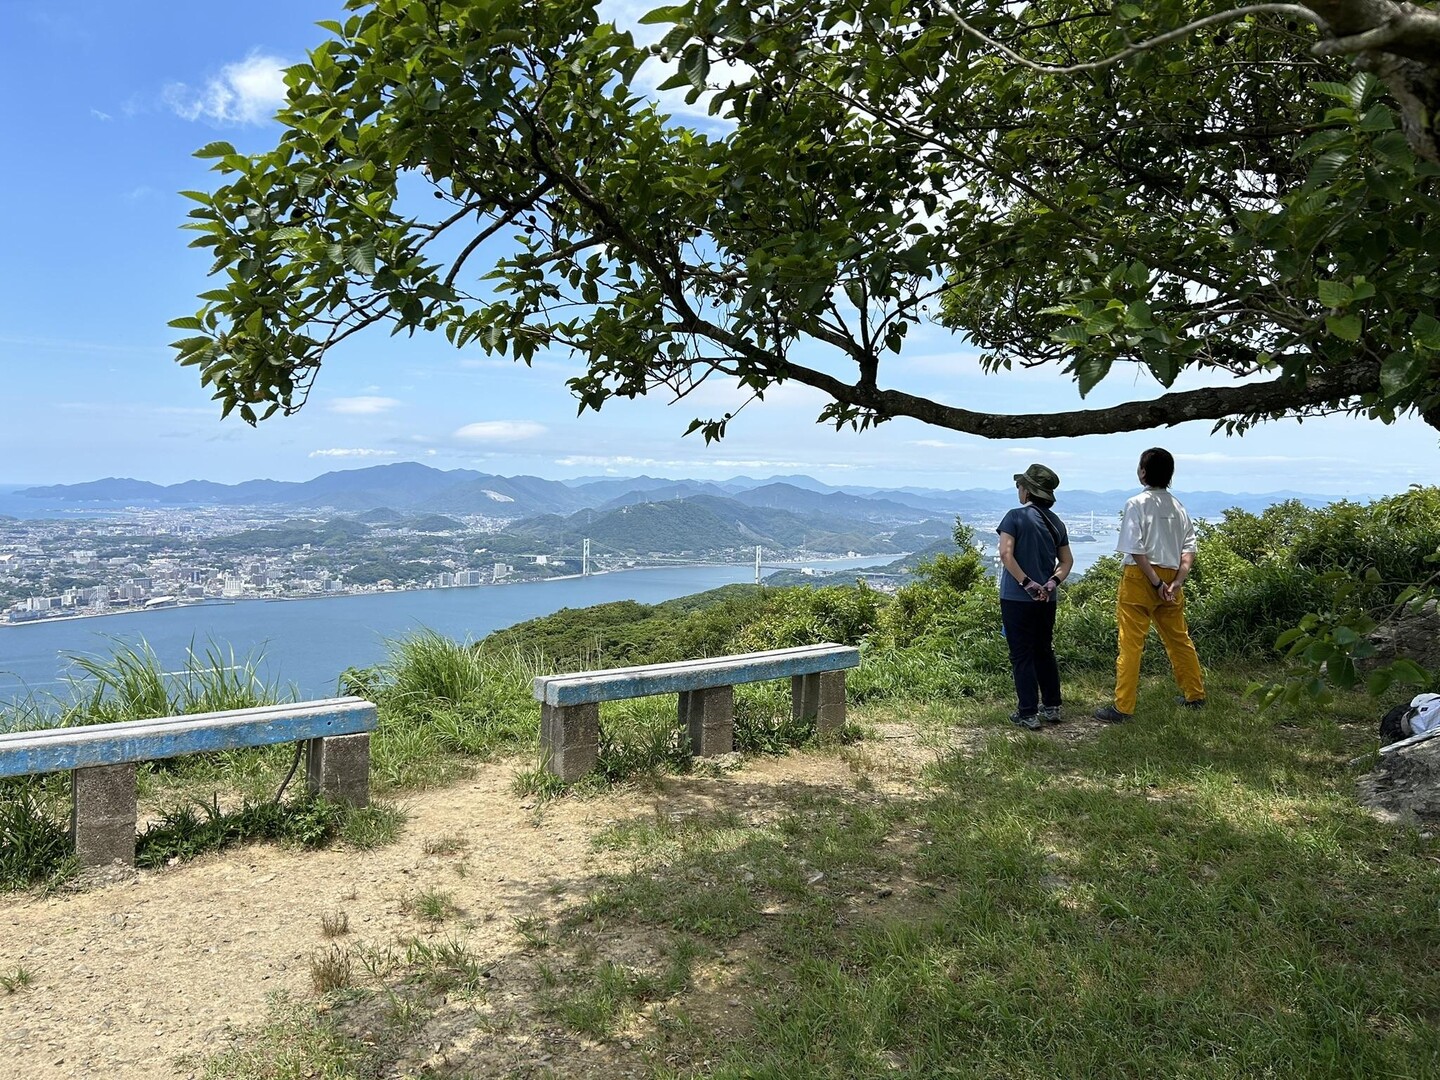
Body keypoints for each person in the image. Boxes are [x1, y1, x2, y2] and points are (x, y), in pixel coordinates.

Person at [1094, 448, 1206, 723]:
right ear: (1170, 475)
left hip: (1140, 578)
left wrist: (1155, 582)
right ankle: (1195, 694)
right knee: (1179, 638)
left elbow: (1135, 548)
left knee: (1131, 644)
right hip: (1172, 578)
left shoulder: (1136, 503)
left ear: (1143, 472)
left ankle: (1124, 707)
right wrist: (1176, 582)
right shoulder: (1178, 507)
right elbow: (1188, 548)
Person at [997, 464, 1075, 731]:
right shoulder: (1057, 522)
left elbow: (1006, 554)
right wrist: (1051, 583)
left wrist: (1026, 583)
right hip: (1047, 599)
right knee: (1043, 649)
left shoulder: (1013, 517)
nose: (1018, 490)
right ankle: (1052, 706)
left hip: (1016, 598)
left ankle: (1028, 712)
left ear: (1027, 490)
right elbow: (1066, 561)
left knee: (1021, 654)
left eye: (1020, 485)